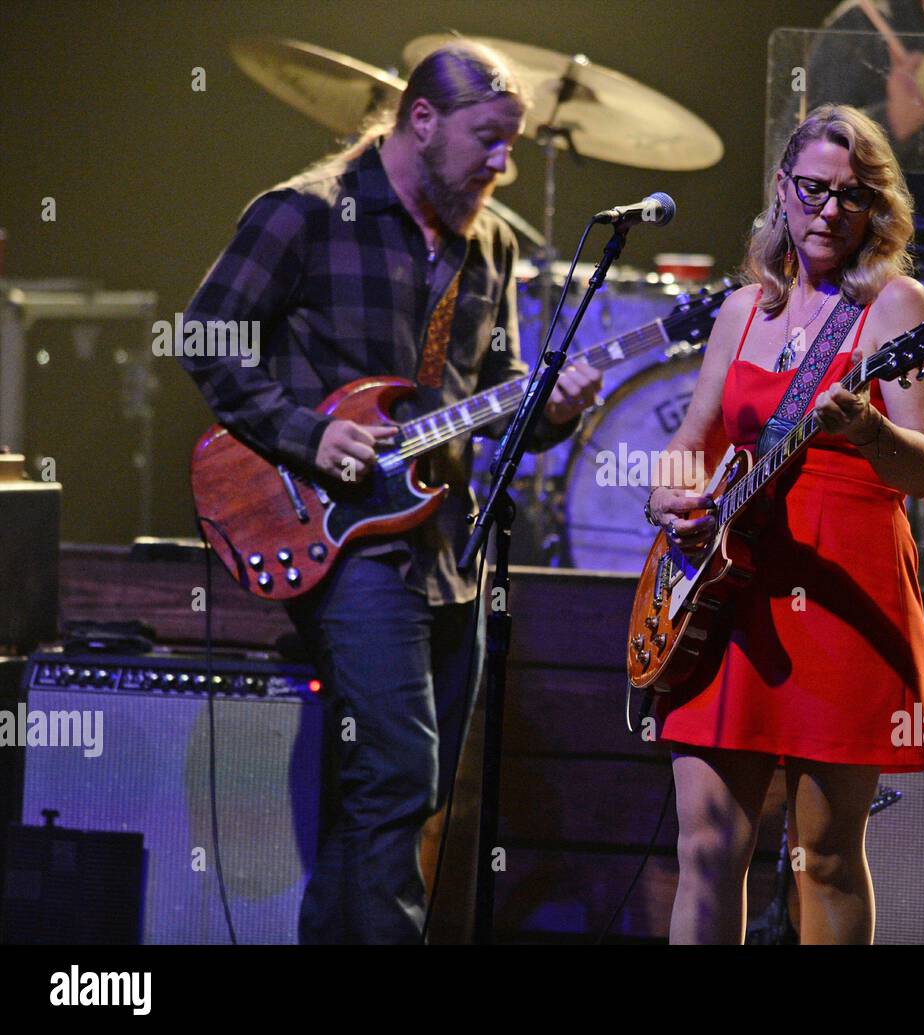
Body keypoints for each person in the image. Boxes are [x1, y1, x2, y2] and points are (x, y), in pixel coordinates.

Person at [177, 41, 601, 943]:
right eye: (488, 139)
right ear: (422, 120)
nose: (504, 162)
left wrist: (554, 406)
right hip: (344, 540)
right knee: (400, 776)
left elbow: (501, 388)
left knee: (400, 790)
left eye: (510, 143)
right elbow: (207, 336)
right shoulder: (303, 215)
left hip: (446, 543)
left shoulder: (489, 241)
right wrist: (309, 432)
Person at [646, 104, 924, 944]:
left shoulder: (898, 307)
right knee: (706, 845)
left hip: (847, 587)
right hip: (730, 591)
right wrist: (666, 493)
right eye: (812, 189)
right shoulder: (744, 308)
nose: (827, 210)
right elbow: (697, 437)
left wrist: (868, 428)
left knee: (826, 854)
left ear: (875, 210)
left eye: (851, 197)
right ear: (782, 189)